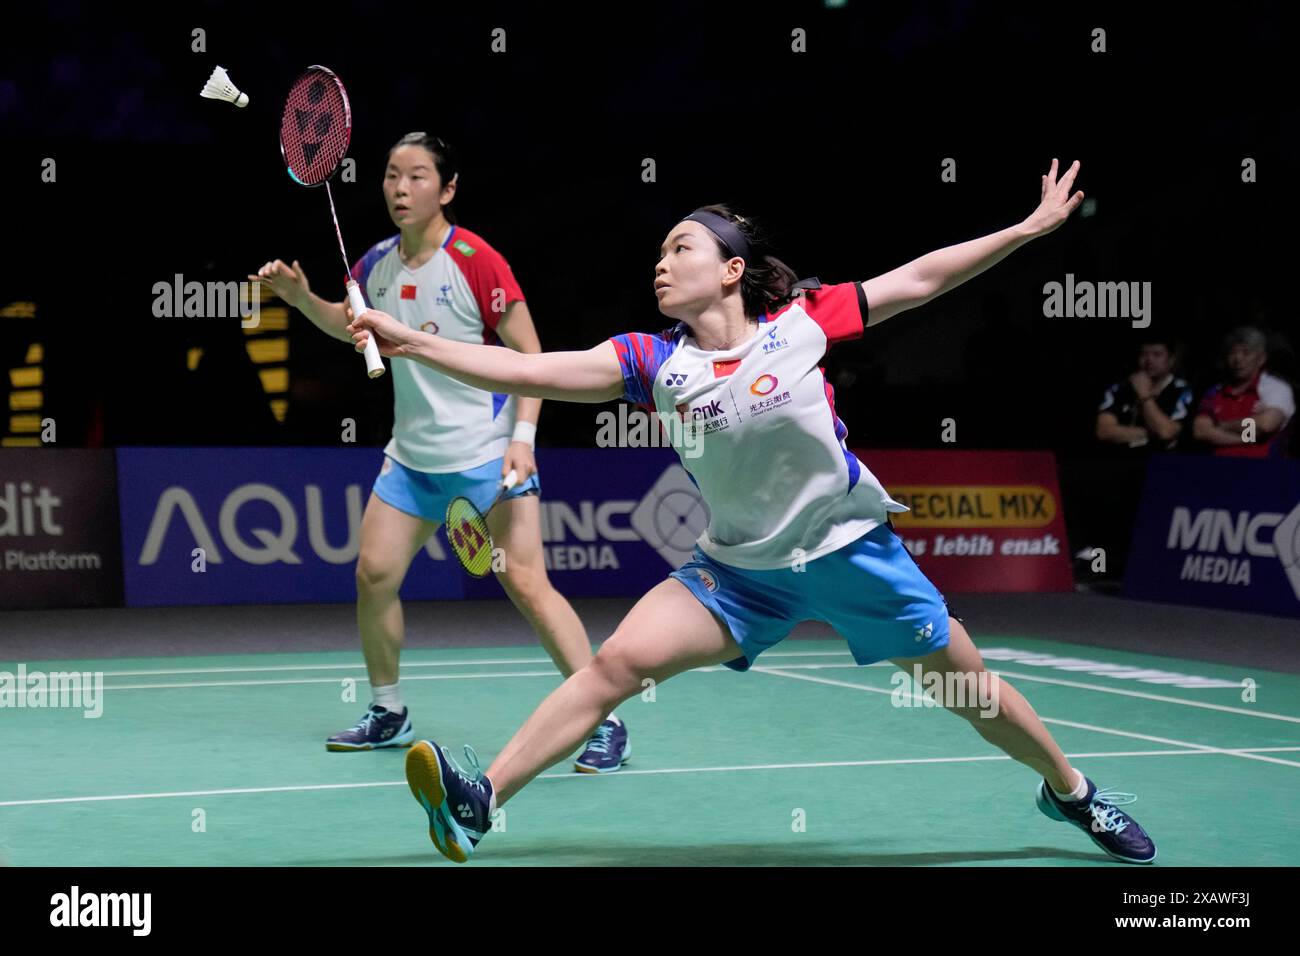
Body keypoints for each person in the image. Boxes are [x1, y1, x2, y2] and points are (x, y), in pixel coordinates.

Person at [349, 158, 1157, 865]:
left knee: (970, 691)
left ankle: (1073, 791)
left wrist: (1027, 227)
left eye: (681, 247)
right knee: (617, 665)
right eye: (660, 253)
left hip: (852, 556)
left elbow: (920, 279)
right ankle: (479, 802)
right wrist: (409, 340)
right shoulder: (652, 362)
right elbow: (532, 367)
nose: (661, 265)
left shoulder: (801, 323)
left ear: (732, 270)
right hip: (739, 573)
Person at [251, 133, 629, 772]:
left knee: (527, 585)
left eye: (417, 176)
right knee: (373, 577)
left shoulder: (477, 261)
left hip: (486, 455)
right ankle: (388, 710)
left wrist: (522, 438)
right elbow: (349, 327)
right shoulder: (373, 264)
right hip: (411, 459)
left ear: (447, 189)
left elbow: (532, 358)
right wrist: (298, 301)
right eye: (392, 175)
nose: (400, 188)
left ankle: (606, 720)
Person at [1192, 326, 1295, 458]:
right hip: (1217, 465)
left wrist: (1222, 425)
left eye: (1246, 353)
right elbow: (1200, 431)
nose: (1238, 359)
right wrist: (1247, 439)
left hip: (1263, 467)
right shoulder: (1215, 391)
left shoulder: (1276, 388)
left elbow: (1266, 425)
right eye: (1232, 353)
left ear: (1261, 358)